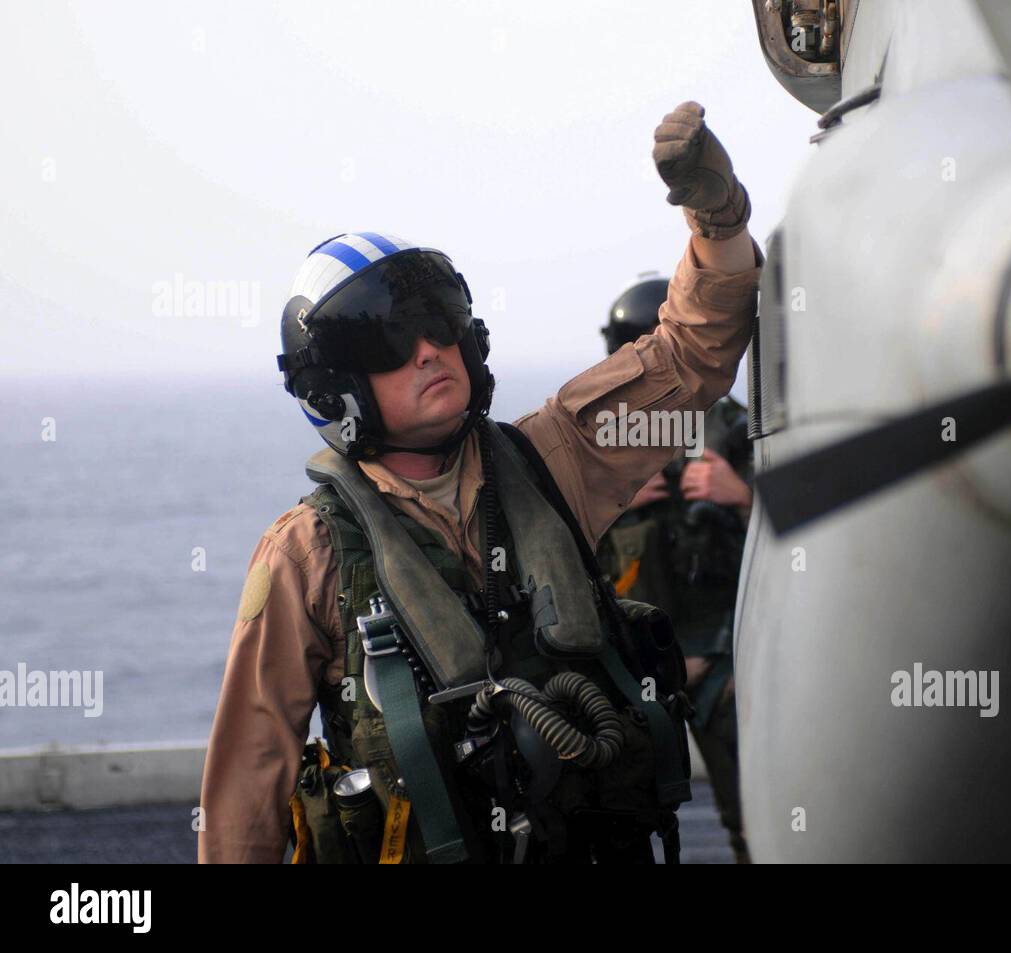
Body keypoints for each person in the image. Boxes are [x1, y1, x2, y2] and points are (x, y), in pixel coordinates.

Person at [198, 101, 763, 863]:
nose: (429, 349)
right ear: (335, 385)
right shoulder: (307, 554)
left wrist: (715, 215)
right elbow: (246, 787)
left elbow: (692, 353)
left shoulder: (555, 457)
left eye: (439, 322)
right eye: (391, 339)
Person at [597, 276, 754, 862]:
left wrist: (744, 495)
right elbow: (543, 551)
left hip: (720, 663)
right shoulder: (596, 445)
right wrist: (609, 503)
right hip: (628, 675)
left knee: (753, 821)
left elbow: (809, 527)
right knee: (618, 831)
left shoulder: (737, 431)